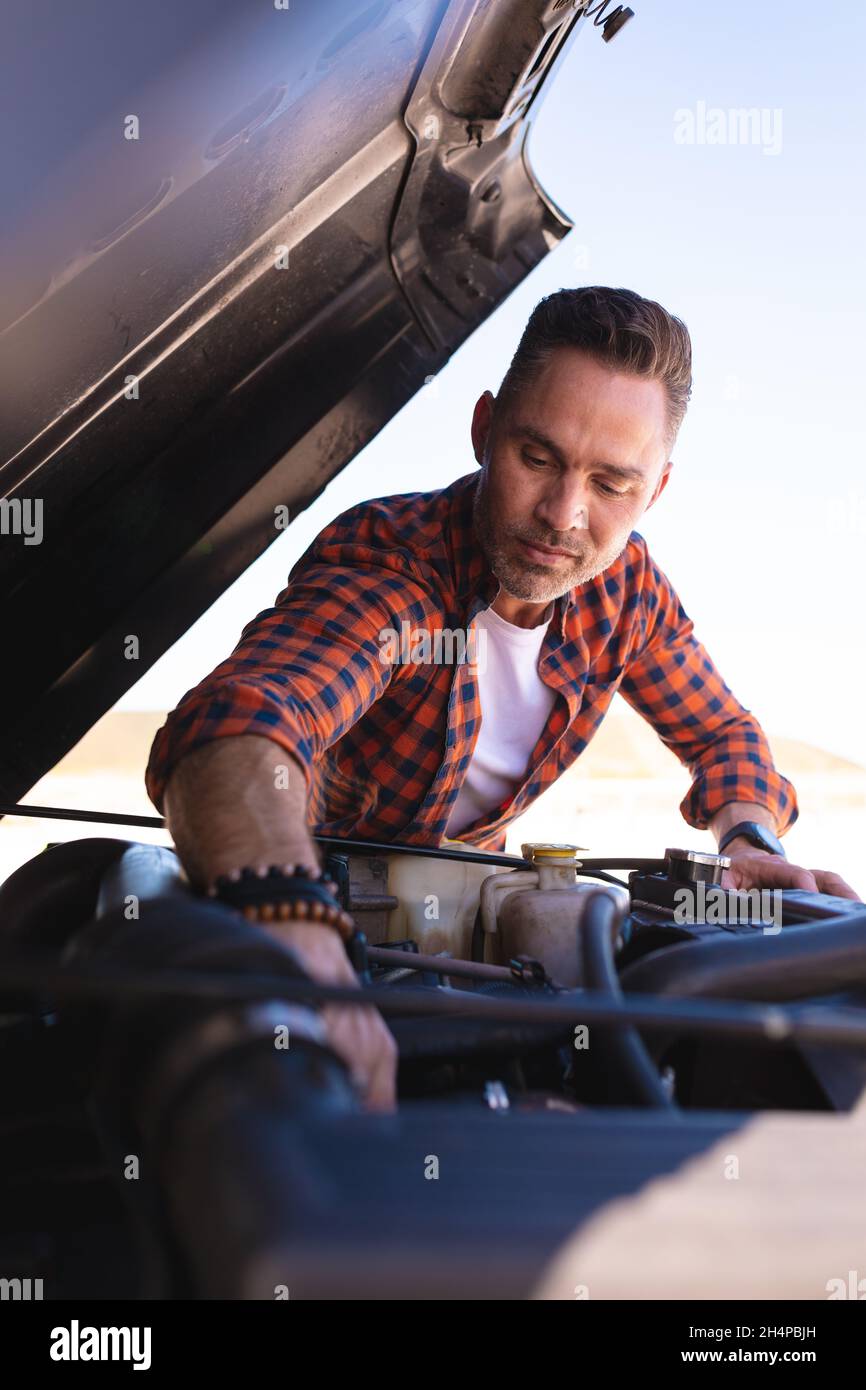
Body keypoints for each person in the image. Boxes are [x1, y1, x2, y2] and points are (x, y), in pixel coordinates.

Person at [145, 286, 859, 1111]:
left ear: (655, 490)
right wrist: (285, 914)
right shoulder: (395, 563)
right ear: (485, 428)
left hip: (477, 943)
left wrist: (749, 837)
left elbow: (724, 734)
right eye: (539, 458)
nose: (564, 515)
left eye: (610, 484)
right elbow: (246, 719)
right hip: (313, 907)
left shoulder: (625, 593)